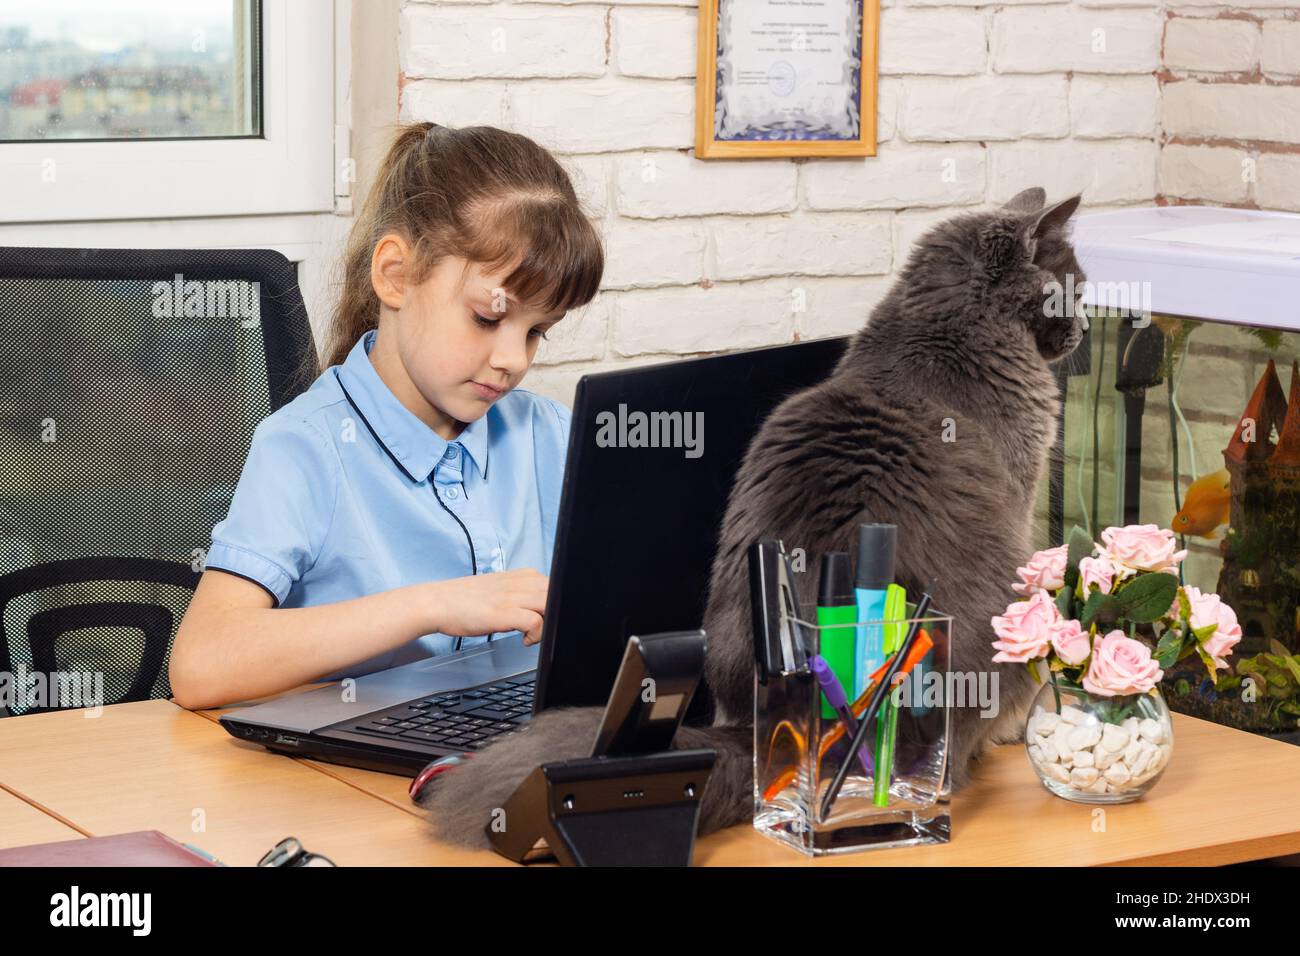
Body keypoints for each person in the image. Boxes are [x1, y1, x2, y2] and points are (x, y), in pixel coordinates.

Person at [168, 123, 603, 710]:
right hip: (350, 778)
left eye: (535, 333)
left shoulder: (547, 434)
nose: (511, 361)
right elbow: (201, 666)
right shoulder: (307, 447)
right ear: (395, 276)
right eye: (486, 318)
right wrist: (430, 605)